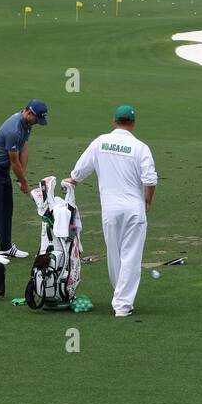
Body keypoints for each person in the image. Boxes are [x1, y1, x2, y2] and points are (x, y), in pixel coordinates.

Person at [64, 105, 157, 317]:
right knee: (131, 256)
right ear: (132, 123)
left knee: (114, 255)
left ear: (114, 121)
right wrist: (148, 200)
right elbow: (150, 180)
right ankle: (122, 305)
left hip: (110, 210)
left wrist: (73, 180)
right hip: (134, 209)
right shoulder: (140, 147)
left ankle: (120, 298)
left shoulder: (100, 142)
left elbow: (79, 170)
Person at [0, 100, 48, 258]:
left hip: (2, 170)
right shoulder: (14, 129)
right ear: (29, 112)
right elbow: (14, 161)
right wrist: (23, 182)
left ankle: (5, 247)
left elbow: (24, 147)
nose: (37, 122)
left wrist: (21, 176)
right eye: (36, 119)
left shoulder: (27, 124)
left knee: (7, 209)